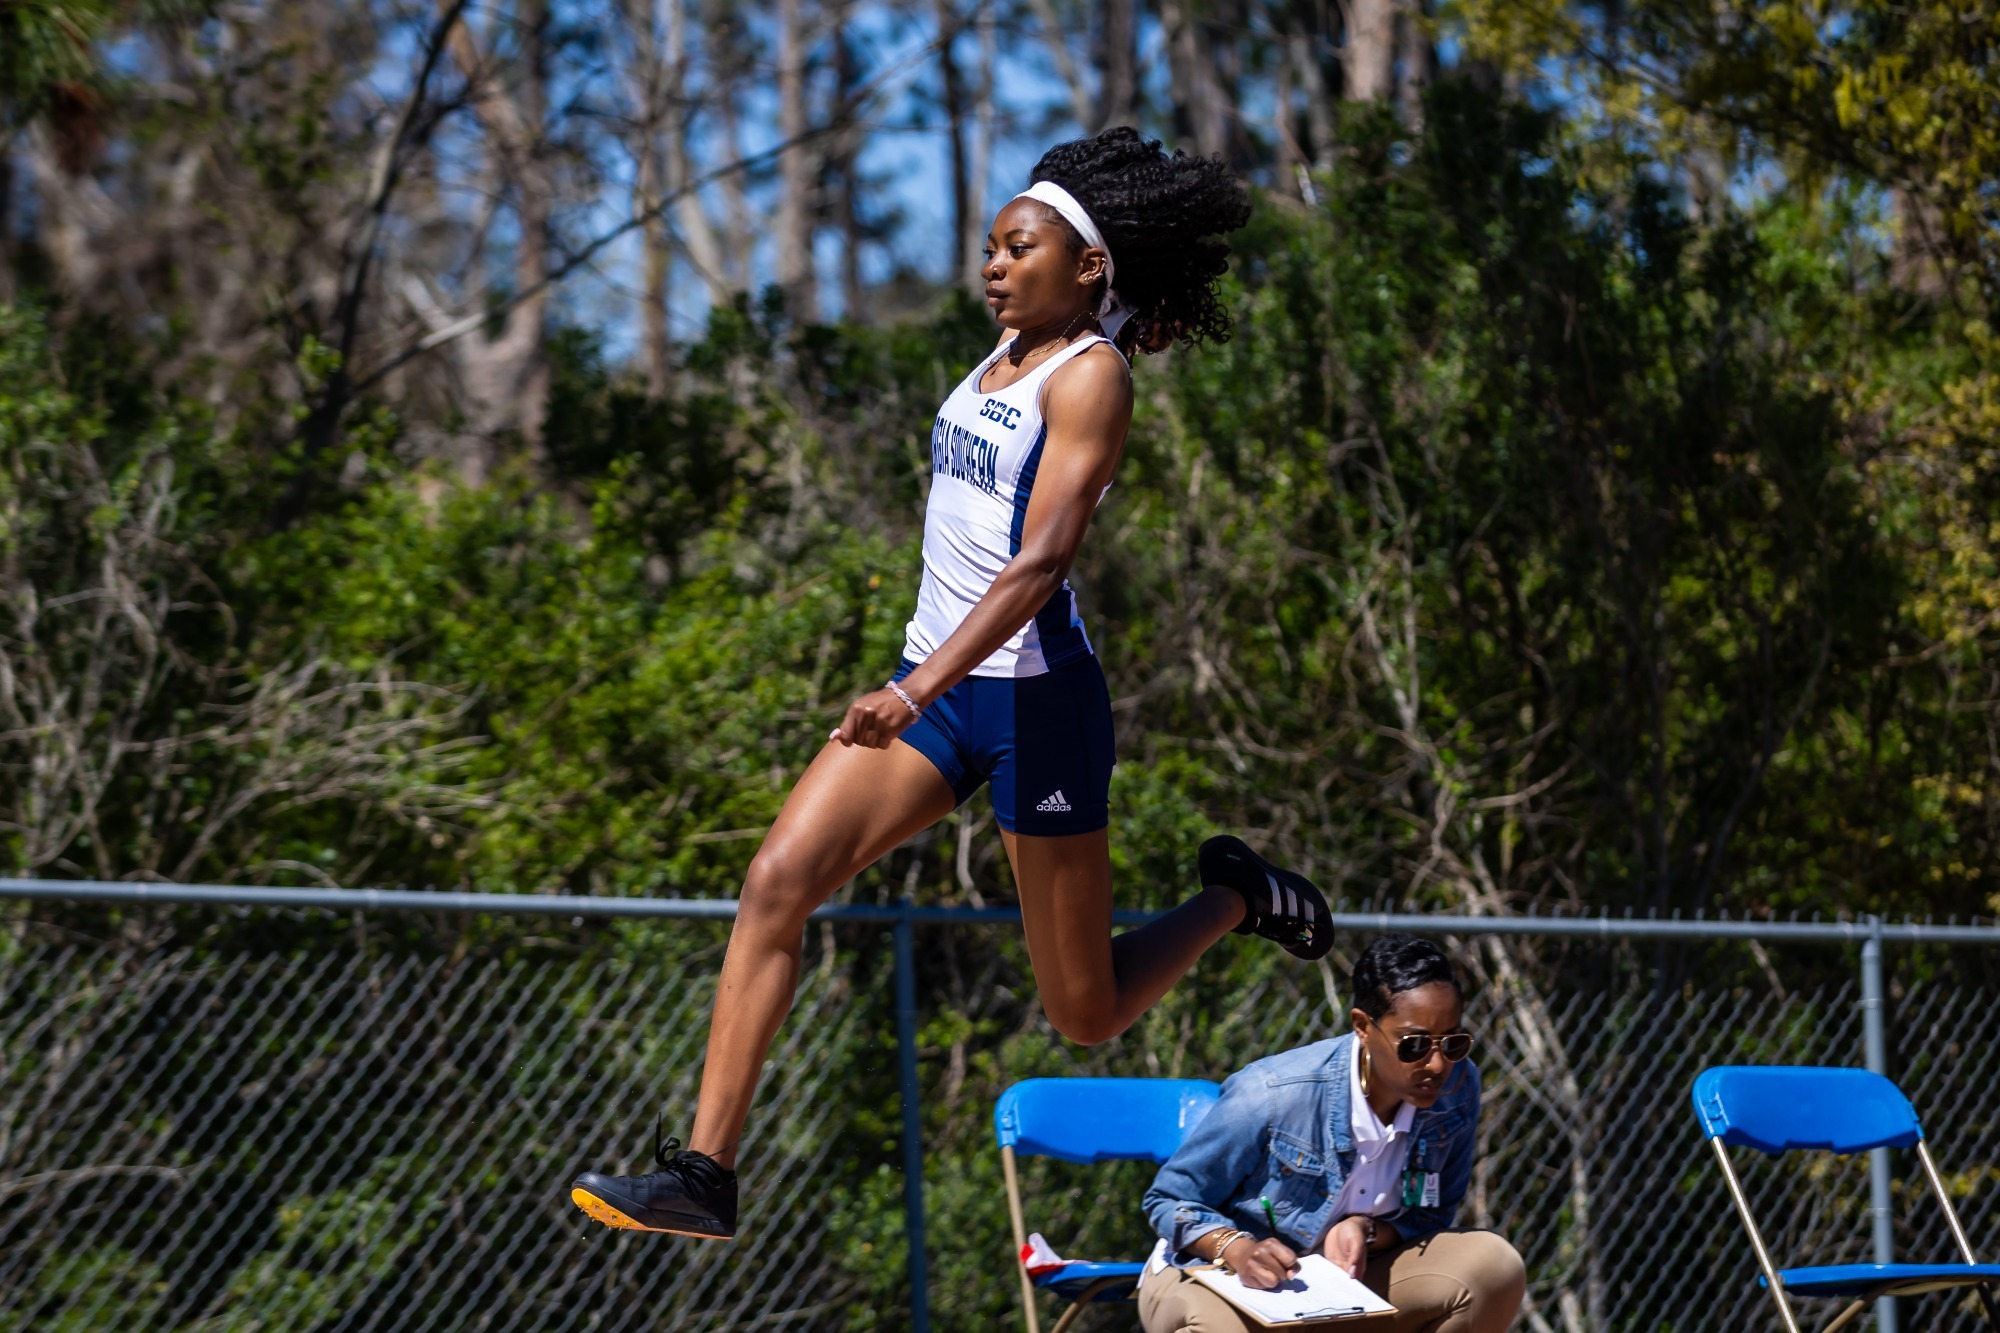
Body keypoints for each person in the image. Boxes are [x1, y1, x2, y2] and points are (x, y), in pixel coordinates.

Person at [568, 127, 1335, 1241]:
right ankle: (704, 1171)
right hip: (935, 688)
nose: (991, 265)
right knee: (776, 881)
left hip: (1033, 706)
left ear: (1085, 267)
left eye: (1017, 247)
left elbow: (1038, 565)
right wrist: (922, 685)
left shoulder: (1092, 378)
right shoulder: (1007, 353)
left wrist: (913, 688)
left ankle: (1234, 896)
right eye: (987, 246)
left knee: (1083, 1012)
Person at [1138, 935, 1526, 1333]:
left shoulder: (1457, 1088)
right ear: (1362, 1026)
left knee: (1492, 1266)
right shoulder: (1272, 1093)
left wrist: (1367, 1230)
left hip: (1338, 1290)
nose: (1438, 1063)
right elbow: (1170, 1200)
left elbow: (1431, 1213)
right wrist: (1238, 1249)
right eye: (1414, 1045)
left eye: (1453, 1042)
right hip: (1217, 1279)